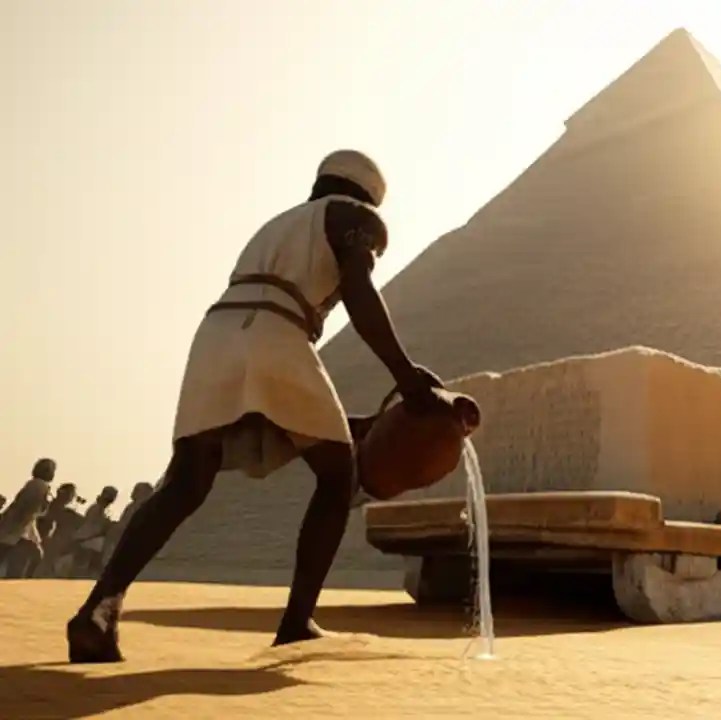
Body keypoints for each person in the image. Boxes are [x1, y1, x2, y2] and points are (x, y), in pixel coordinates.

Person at [66, 150, 452, 664]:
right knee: (338, 476)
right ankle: (297, 622)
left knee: (185, 482)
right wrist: (406, 376)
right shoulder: (356, 217)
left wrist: (344, 421)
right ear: (370, 195)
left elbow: (270, 389)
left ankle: (99, 608)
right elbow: (357, 292)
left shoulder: (277, 226)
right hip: (278, 329)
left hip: (216, 333)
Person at [0, 459, 57, 578]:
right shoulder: (40, 486)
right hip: (20, 527)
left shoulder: (33, 484)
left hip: (20, 526)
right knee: (23, 560)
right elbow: (34, 508)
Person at [34, 483, 83, 577]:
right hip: (43, 541)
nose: (70, 498)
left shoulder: (66, 511)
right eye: (70, 494)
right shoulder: (49, 506)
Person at [71, 487, 119, 577]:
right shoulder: (97, 509)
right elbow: (93, 527)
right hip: (88, 543)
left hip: (92, 544)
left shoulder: (102, 510)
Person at [102, 482, 154, 560]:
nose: (133, 492)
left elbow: (127, 524)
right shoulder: (133, 506)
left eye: (137, 490)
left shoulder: (140, 507)